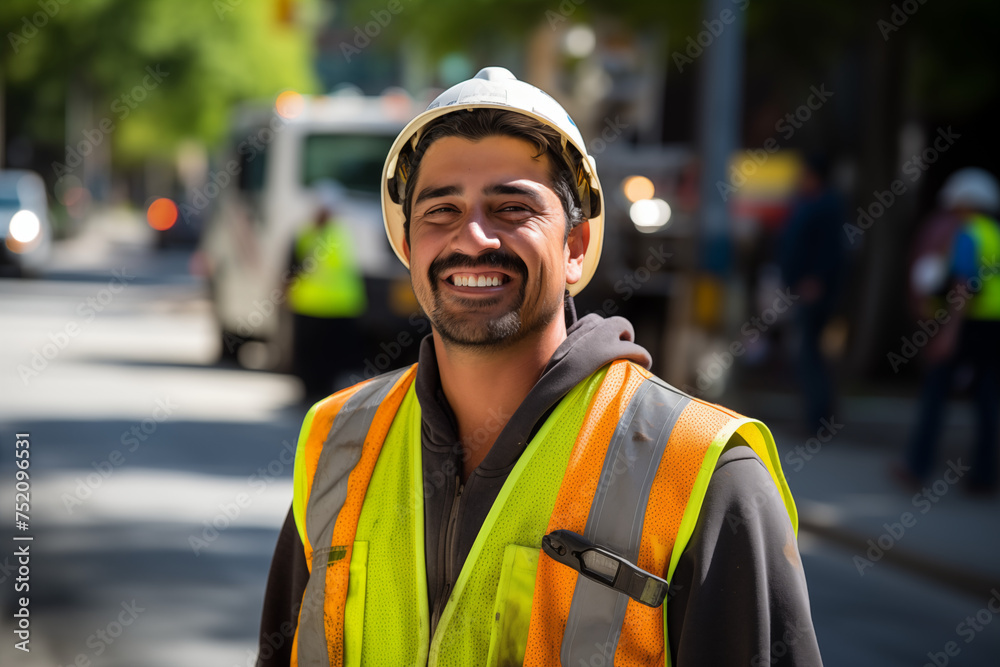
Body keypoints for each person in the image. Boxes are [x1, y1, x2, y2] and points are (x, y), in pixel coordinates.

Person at [258, 67, 823, 666]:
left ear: (575, 247)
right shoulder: (337, 444)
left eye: (511, 208)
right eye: (441, 210)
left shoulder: (703, 472)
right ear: (407, 246)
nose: (473, 237)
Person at [896, 168, 1000, 495]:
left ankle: (917, 467)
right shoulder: (994, 234)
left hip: (967, 324)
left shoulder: (968, 234)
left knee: (935, 394)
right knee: (987, 401)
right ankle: (984, 477)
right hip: (993, 328)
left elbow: (962, 286)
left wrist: (948, 333)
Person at [778, 155, 846, 434]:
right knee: (808, 354)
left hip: (816, 293)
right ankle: (815, 416)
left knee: (810, 355)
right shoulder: (807, 202)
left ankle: (818, 420)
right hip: (804, 289)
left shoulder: (828, 206)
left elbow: (831, 250)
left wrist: (816, 280)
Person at [286, 185, 367, 400]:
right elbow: (292, 266)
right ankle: (312, 392)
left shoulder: (330, 232)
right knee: (313, 355)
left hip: (334, 306)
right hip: (314, 305)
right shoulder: (315, 233)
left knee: (326, 356)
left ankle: (322, 392)